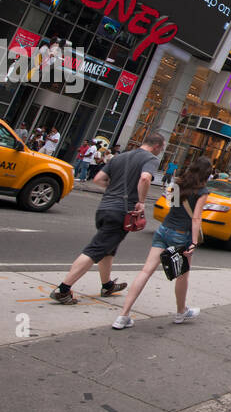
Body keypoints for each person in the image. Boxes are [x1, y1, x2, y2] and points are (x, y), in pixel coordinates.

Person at [50, 133, 164, 305]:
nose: (161, 151)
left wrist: (112, 191)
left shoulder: (120, 156)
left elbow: (98, 179)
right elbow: (145, 178)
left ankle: (107, 285)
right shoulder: (151, 159)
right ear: (156, 146)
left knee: (109, 248)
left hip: (104, 208)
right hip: (121, 212)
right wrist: (140, 201)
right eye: (162, 148)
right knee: (95, 249)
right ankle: (63, 289)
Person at [112, 157, 210, 330]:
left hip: (164, 229)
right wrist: (194, 242)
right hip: (181, 235)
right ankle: (181, 312)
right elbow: (196, 218)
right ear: (205, 174)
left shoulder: (178, 183)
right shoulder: (202, 191)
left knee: (146, 271)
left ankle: (123, 315)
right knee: (182, 276)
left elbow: (173, 205)